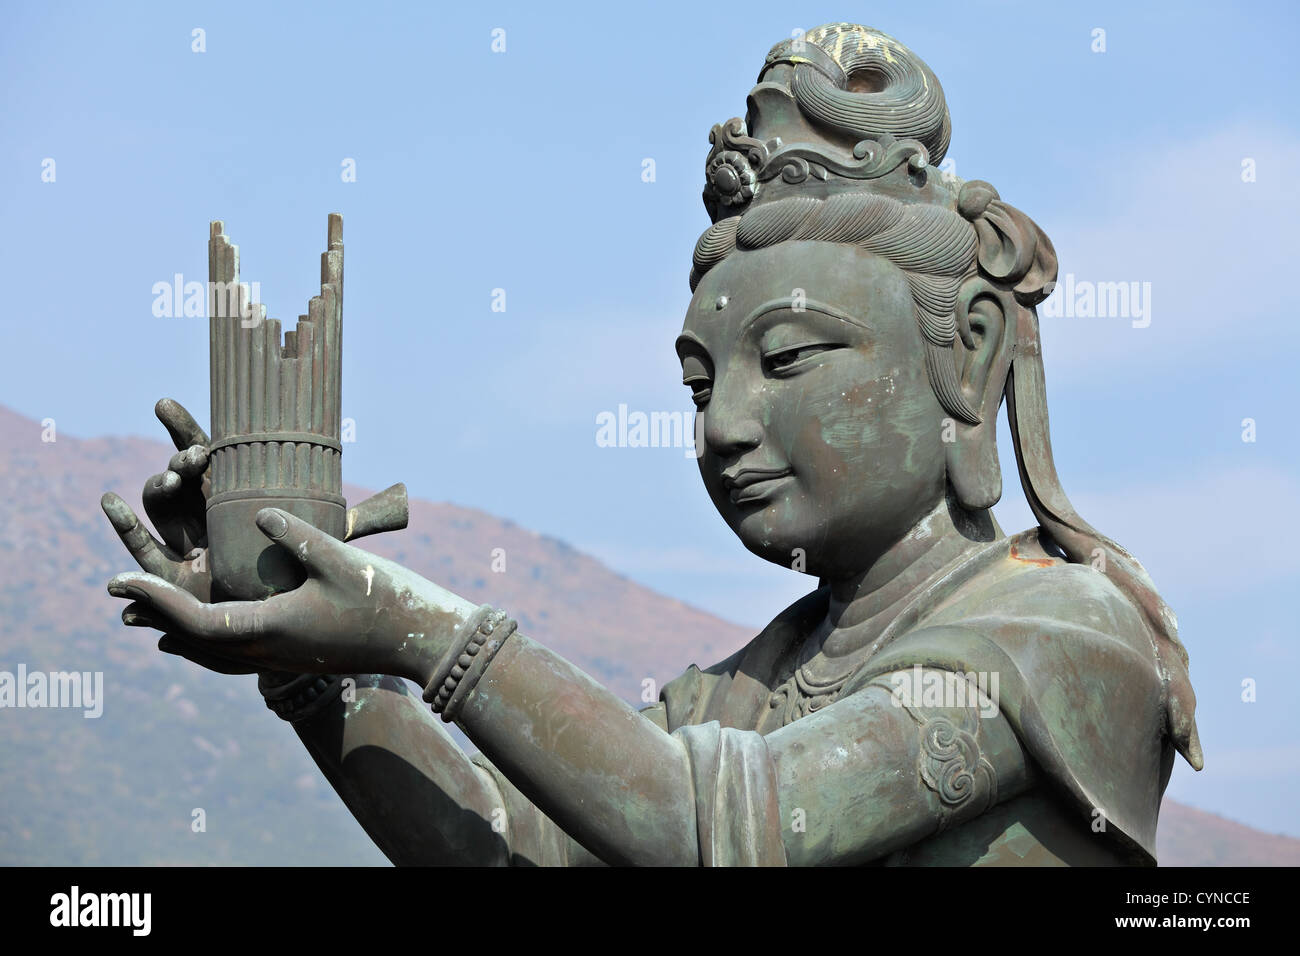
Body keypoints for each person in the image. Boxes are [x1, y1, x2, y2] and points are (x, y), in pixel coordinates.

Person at [103, 22, 1200, 866]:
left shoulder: (1057, 633)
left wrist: (418, 626)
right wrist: (310, 664)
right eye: (698, 381)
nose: (723, 424)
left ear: (963, 354)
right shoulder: (736, 696)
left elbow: (715, 828)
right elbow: (515, 846)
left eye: (787, 359)